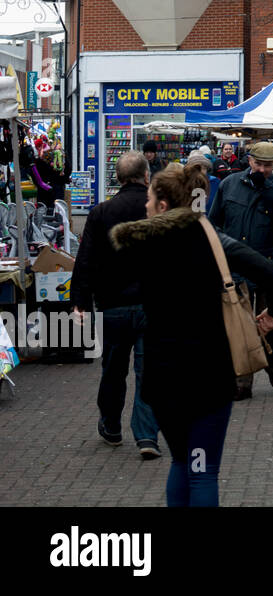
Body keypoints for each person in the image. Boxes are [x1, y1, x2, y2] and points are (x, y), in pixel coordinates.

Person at [109, 162, 273, 507]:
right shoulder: (213, 240)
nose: (145, 205)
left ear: (162, 206)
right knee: (201, 468)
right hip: (207, 375)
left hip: (162, 377)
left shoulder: (140, 246)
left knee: (181, 460)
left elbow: (113, 288)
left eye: (148, 199)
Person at [70, 151, 161, 459]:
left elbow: (85, 260)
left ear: (118, 178)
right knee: (148, 373)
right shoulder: (158, 210)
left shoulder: (100, 213)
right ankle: (147, 436)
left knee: (113, 369)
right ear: (146, 176)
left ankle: (110, 425)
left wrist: (79, 302)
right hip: (152, 304)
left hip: (113, 306)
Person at [209, 140, 273, 398]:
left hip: (269, 266)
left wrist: (266, 186)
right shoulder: (229, 184)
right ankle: (242, 380)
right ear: (249, 161)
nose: (262, 169)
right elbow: (215, 222)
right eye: (258, 164)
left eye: (268, 165)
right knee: (240, 327)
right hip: (237, 268)